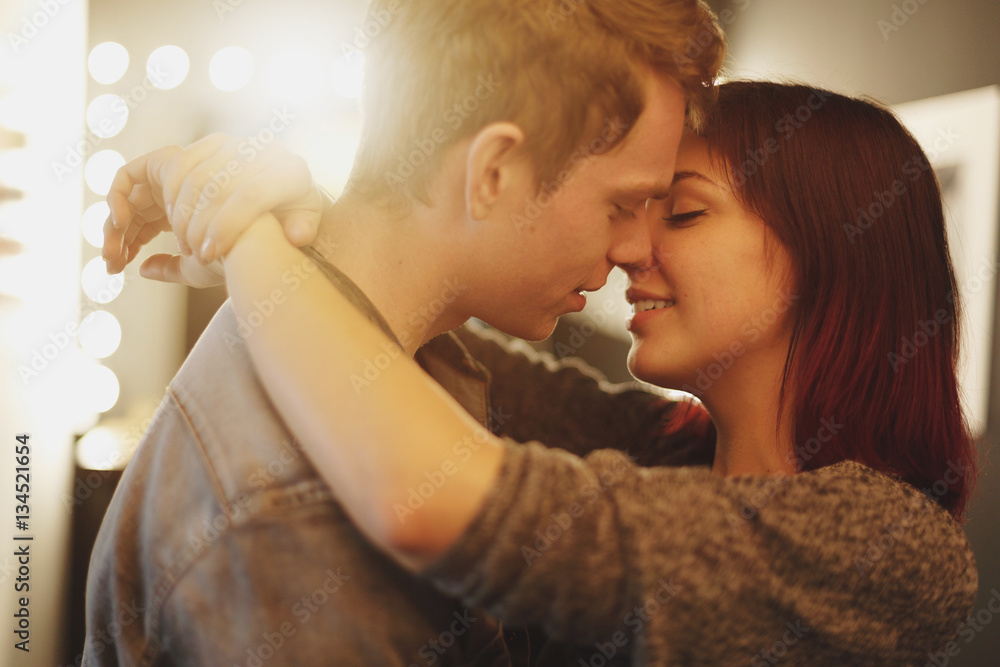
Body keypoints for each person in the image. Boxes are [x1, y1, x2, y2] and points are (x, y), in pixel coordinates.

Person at [145, 81, 979, 664]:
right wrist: (288, 213)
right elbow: (400, 329)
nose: (630, 252)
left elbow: (453, 501)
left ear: (833, 251)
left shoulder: (893, 550)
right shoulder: (657, 447)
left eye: (680, 212)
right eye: (630, 209)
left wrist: (248, 240)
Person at [85, 0, 724, 665]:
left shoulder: (405, 362)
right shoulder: (294, 523)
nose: (633, 247)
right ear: (493, 173)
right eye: (622, 205)